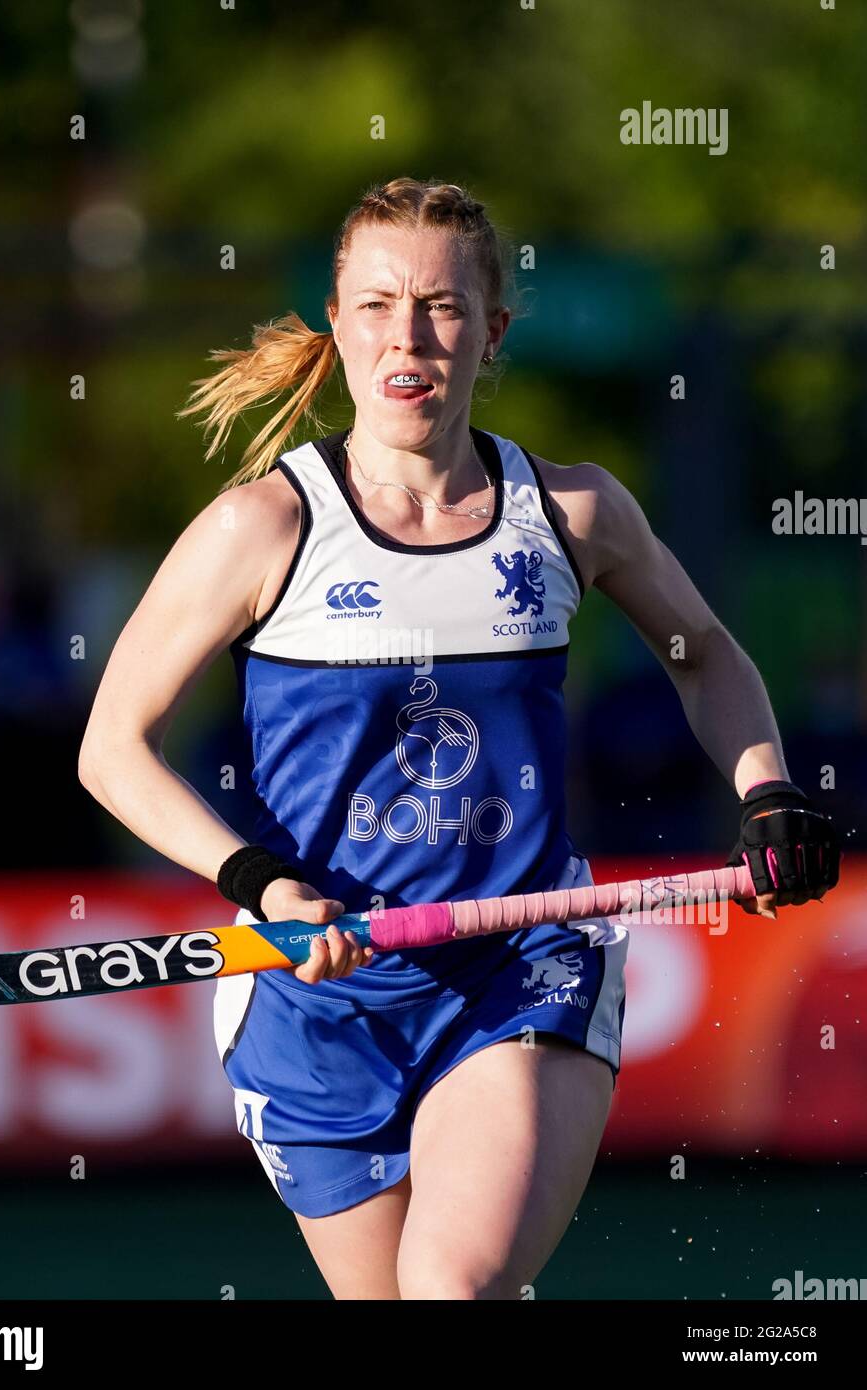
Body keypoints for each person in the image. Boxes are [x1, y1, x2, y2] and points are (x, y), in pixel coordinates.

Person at [78, 177, 840, 1300]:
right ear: (334, 327)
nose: (410, 335)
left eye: (442, 305)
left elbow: (705, 652)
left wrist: (767, 790)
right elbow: (112, 746)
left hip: (518, 968)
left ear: (494, 329)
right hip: (316, 1000)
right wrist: (262, 881)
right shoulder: (261, 527)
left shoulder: (570, 513)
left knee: (453, 1287)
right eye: (377, 304)